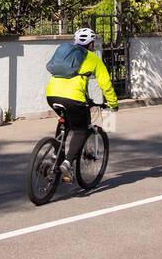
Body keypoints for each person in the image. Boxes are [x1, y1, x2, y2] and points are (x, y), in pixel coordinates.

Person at [45, 27, 118, 182]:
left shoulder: (66, 54)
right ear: (91, 44)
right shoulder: (93, 59)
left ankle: (55, 154)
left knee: (66, 120)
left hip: (51, 95)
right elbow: (105, 84)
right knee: (81, 130)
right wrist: (112, 103)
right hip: (73, 99)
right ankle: (67, 162)